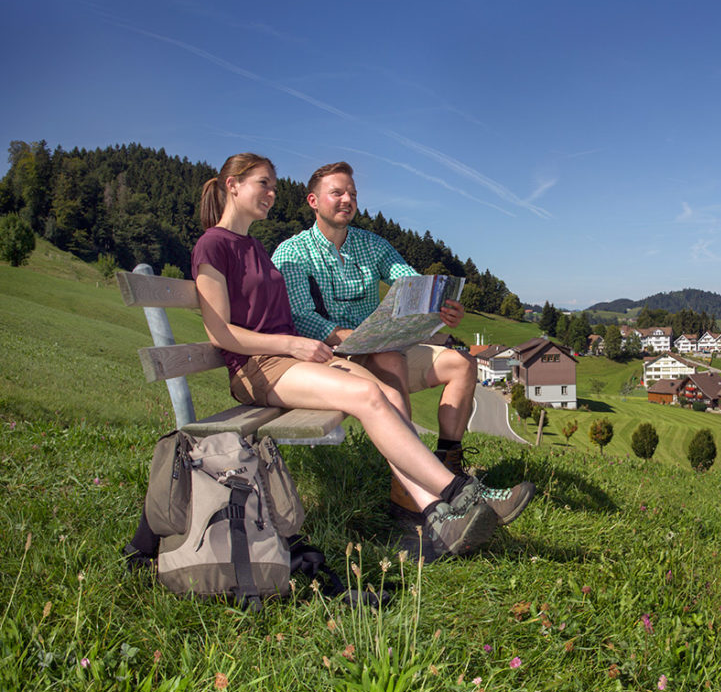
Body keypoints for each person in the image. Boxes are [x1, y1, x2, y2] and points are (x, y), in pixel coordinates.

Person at [190, 153, 514, 558]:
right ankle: (460, 492)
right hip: (259, 367)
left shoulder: (254, 245)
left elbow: (285, 314)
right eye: (263, 184)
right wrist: (292, 343)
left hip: (294, 360)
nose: (272, 193)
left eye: (273, 185)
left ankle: (436, 515)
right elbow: (219, 331)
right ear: (232, 186)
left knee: (380, 392)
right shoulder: (214, 244)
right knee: (369, 395)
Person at [271, 161, 533, 528]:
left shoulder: (372, 244)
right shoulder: (291, 253)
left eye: (353, 194)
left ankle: (446, 465)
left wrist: (439, 307)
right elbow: (300, 315)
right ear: (313, 200)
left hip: (379, 346)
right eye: (337, 193)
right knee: (391, 362)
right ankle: (411, 493)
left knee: (462, 364)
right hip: (332, 357)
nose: (347, 200)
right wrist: (348, 338)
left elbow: (408, 281)